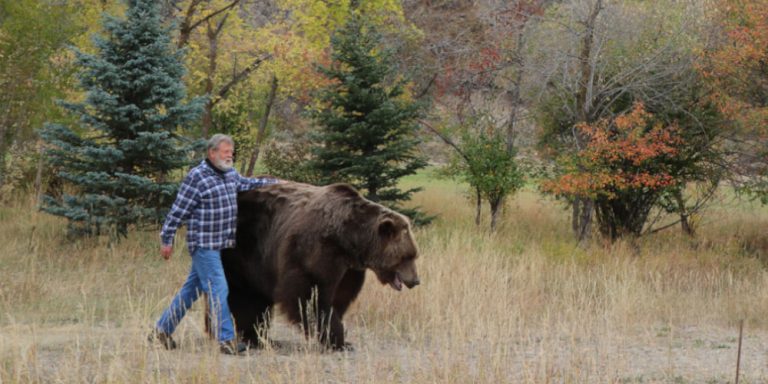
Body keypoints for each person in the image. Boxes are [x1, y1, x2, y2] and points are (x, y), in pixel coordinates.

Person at [148, 133, 279, 355]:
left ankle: (161, 330)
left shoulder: (229, 174)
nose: (230, 156)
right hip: (203, 244)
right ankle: (226, 340)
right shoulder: (197, 177)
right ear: (212, 153)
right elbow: (178, 210)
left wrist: (274, 183)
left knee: (190, 291)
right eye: (225, 152)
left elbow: (247, 183)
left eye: (231, 152)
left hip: (220, 244)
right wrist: (166, 239)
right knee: (219, 287)